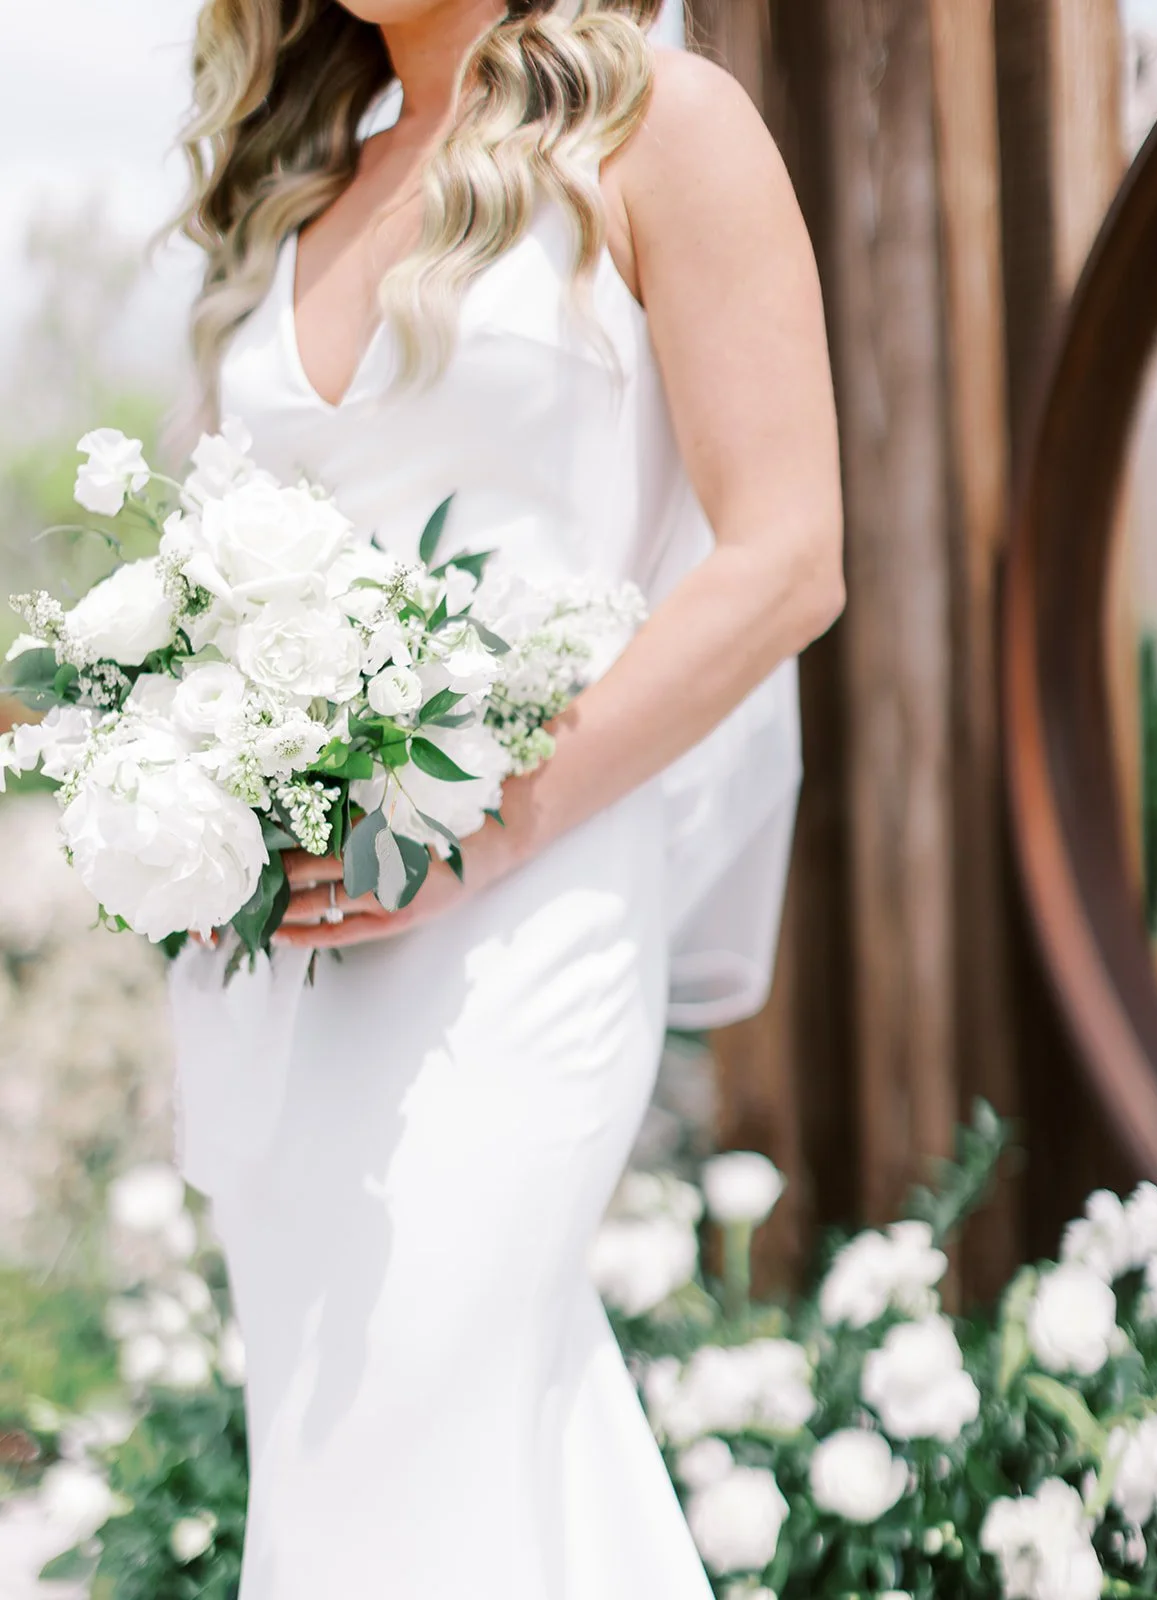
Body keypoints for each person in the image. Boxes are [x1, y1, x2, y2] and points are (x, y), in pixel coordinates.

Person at [165, 0, 844, 1594]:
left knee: (419, 1407)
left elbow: (787, 556)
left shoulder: (661, 128)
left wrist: (499, 817)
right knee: (419, 1453)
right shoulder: (295, 175)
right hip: (297, 940)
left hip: (527, 908)